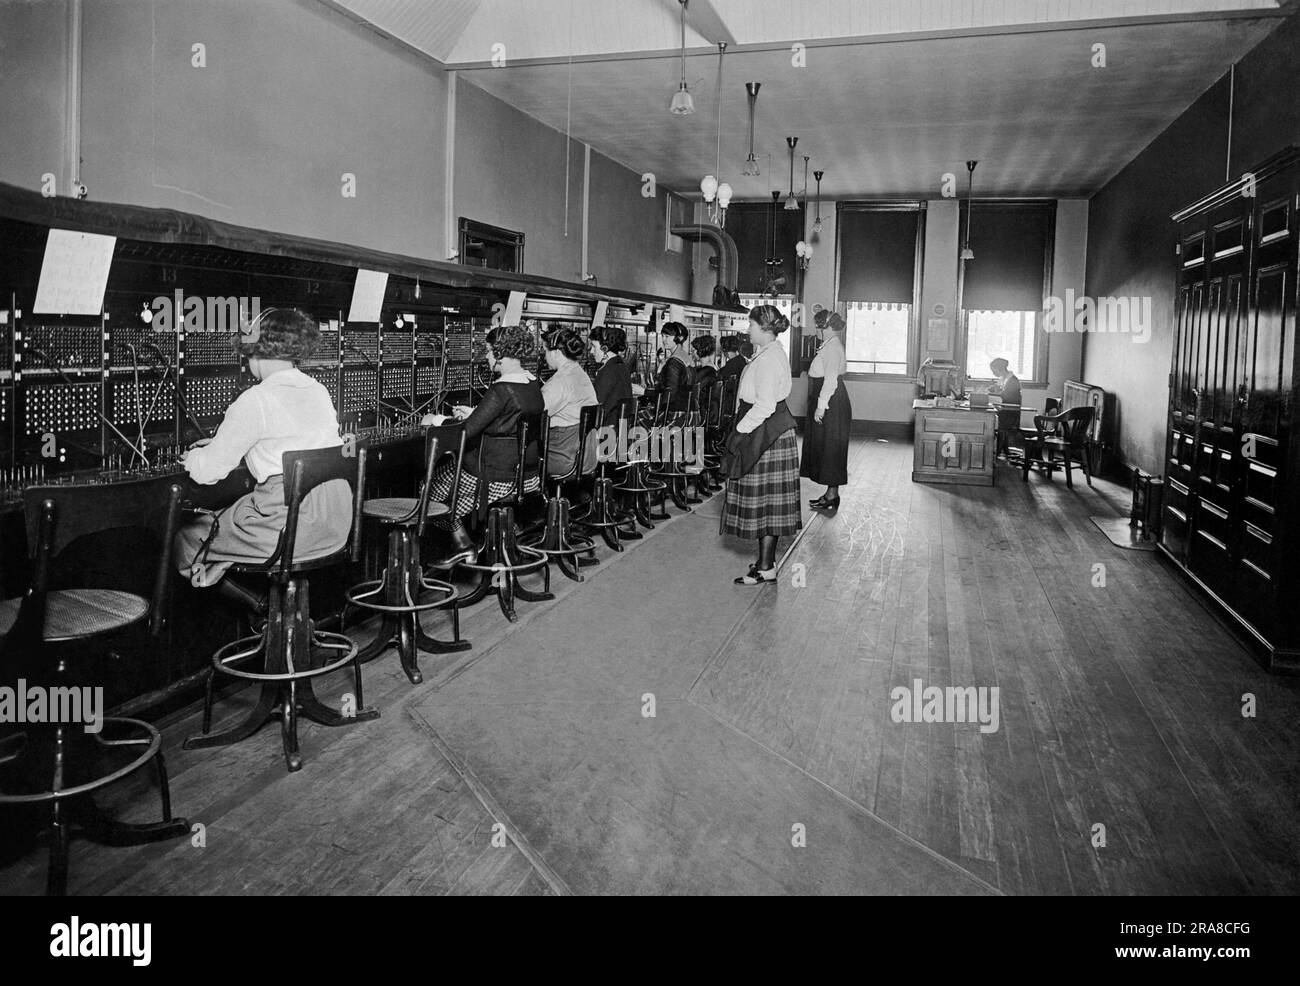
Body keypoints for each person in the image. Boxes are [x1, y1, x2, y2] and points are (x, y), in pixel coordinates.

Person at [175, 308, 349, 598]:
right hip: (334, 523)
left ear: (255, 351)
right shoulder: (318, 390)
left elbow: (206, 473)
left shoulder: (255, 399)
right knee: (229, 524)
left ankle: (258, 607)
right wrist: (230, 443)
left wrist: (194, 457)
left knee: (187, 538)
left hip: (286, 529)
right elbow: (291, 442)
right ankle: (235, 565)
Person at [422, 324, 545, 566]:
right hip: (526, 475)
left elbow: (466, 431)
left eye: (489, 351)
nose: (486, 356)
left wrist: (436, 420)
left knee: (428, 490)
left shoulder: (501, 388)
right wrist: (477, 412)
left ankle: (463, 546)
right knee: (446, 490)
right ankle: (487, 545)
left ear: (500, 353)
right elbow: (508, 419)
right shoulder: (532, 384)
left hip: (494, 475)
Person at [719, 304, 802, 585]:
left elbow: (765, 405)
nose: (748, 329)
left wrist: (739, 433)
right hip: (770, 430)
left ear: (764, 328)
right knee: (768, 504)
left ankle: (766, 566)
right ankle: (766, 563)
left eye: (751, 325)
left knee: (766, 504)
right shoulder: (770, 352)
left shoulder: (768, 358)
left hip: (765, 431)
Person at [801, 308, 852, 510]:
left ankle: (832, 496)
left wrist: (821, 407)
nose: (816, 330)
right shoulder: (830, 345)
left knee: (831, 448)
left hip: (831, 402)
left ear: (826, 326)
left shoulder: (832, 348)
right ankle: (831, 494)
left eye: (817, 326)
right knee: (829, 448)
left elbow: (830, 381)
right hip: (829, 399)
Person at [540, 324, 597, 476]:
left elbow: (534, 416)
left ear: (556, 353)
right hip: (586, 458)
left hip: (564, 460)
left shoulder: (560, 381)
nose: (544, 357)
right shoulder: (581, 375)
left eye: (545, 351)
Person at [589, 324, 633, 416]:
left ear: (604, 348)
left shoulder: (607, 372)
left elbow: (596, 405)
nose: (591, 351)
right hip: (622, 423)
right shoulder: (622, 367)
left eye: (594, 346)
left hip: (607, 424)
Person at [988, 357, 1023, 457]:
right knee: (992, 414)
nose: (993, 373)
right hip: (1006, 408)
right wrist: (995, 389)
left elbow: (1007, 397)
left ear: (999, 369)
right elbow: (1002, 393)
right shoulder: (1005, 378)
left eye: (994, 370)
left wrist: (995, 392)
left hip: (1010, 411)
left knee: (991, 418)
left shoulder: (1012, 380)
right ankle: (1003, 449)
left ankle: (997, 453)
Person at [657, 322, 692, 413]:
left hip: (675, 413)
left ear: (677, 338)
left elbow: (670, 394)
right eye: (662, 336)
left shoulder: (674, 362)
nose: (663, 340)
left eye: (667, 336)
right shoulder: (685, 356)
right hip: (688, 411)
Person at [690, 334, 718, 411]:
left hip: (702, 411)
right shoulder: (713, 368)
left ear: (700, 350)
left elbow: (692, 390)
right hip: (710, 409)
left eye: (693, 350)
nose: (692, 353)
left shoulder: (705, 371)